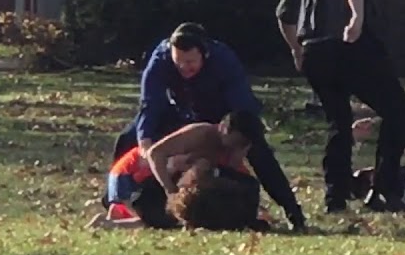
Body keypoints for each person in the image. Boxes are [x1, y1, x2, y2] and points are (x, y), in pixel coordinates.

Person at [275, 0, 405, 214]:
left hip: (314, 51)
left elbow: (283, 13)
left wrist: (296, 50)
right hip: (351, 46)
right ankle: (384, 190)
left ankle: (334, 198)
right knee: (398, 113)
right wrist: (356, 17)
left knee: (338, 124)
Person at [111, 23, 307, 230]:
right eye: (179, 62)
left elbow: (242, 107)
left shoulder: (224, 61)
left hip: (222, 114)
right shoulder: (160, 59)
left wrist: (240, 141)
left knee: (259, 153)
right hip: (180, 112)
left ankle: (292, 211)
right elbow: (150, 103)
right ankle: (118, 199)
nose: (184, 68)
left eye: (191, 61)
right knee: (128, 137)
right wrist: (145, 140)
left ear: (204, 54)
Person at [94, 111, 263, 230]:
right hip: (132, 176)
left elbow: (236, 178)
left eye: (245, 144)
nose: (239, 147)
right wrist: (170, 191)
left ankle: (122, 213)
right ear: (224, 130)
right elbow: (155, 153)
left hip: (154, 182)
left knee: (192, 206)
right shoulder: (200, 133)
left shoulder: (231, 150)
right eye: (239, 142)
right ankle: (119, 214)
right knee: (176, 215)